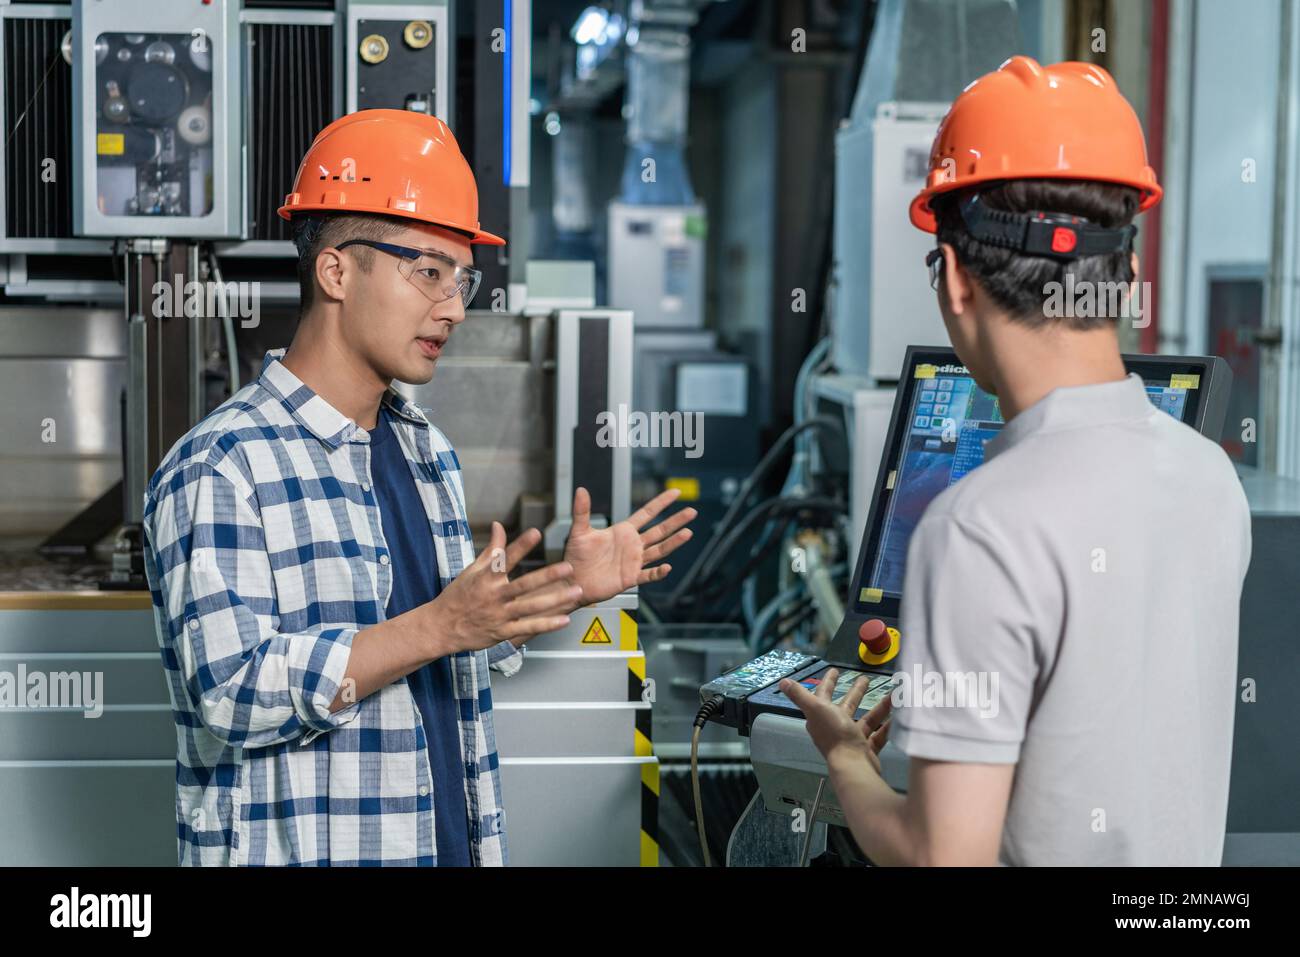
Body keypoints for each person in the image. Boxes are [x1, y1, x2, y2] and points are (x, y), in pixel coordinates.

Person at [142, 109, 696, 865]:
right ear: (335, 270)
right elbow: (233, 695)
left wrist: (560, 586)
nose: (456, 308)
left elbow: (454, 647)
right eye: (428, 270)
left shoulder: (424, 451)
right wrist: (438, 625)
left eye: (463, 278)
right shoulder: (221, 467)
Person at [783, 57, 1251, 866]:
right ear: (1127, 274)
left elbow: (941, 857)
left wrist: (848, 758)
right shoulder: (1211, 477)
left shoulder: (976, 527)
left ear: (956, 280)